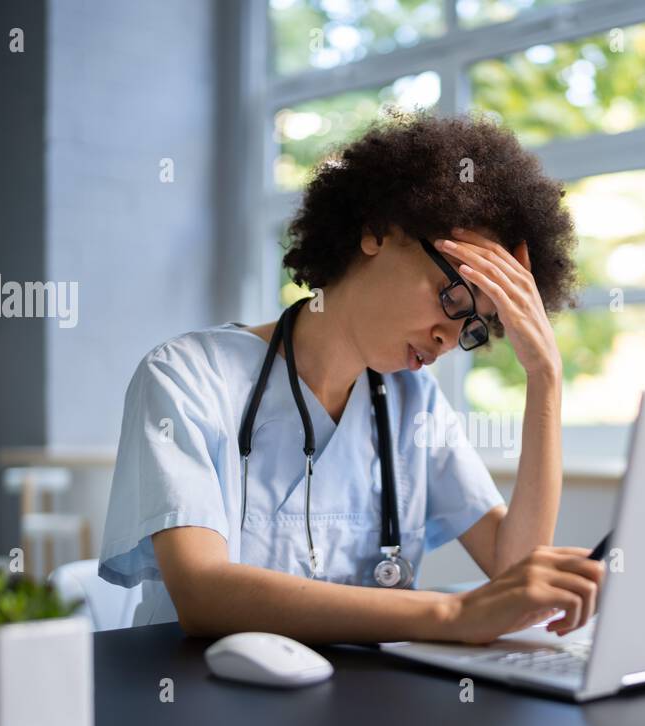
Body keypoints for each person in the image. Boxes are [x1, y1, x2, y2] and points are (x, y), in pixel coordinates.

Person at [98, 110, 603, 644]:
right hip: (202, 703)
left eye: (478, 324)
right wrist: (449, 616)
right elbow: (203, 594)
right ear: (377, 233)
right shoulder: (187, 377)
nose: (449, 339)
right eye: (453, 296)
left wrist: (544, 376)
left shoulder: (413, 404)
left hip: (362, 711)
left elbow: (511, 574)